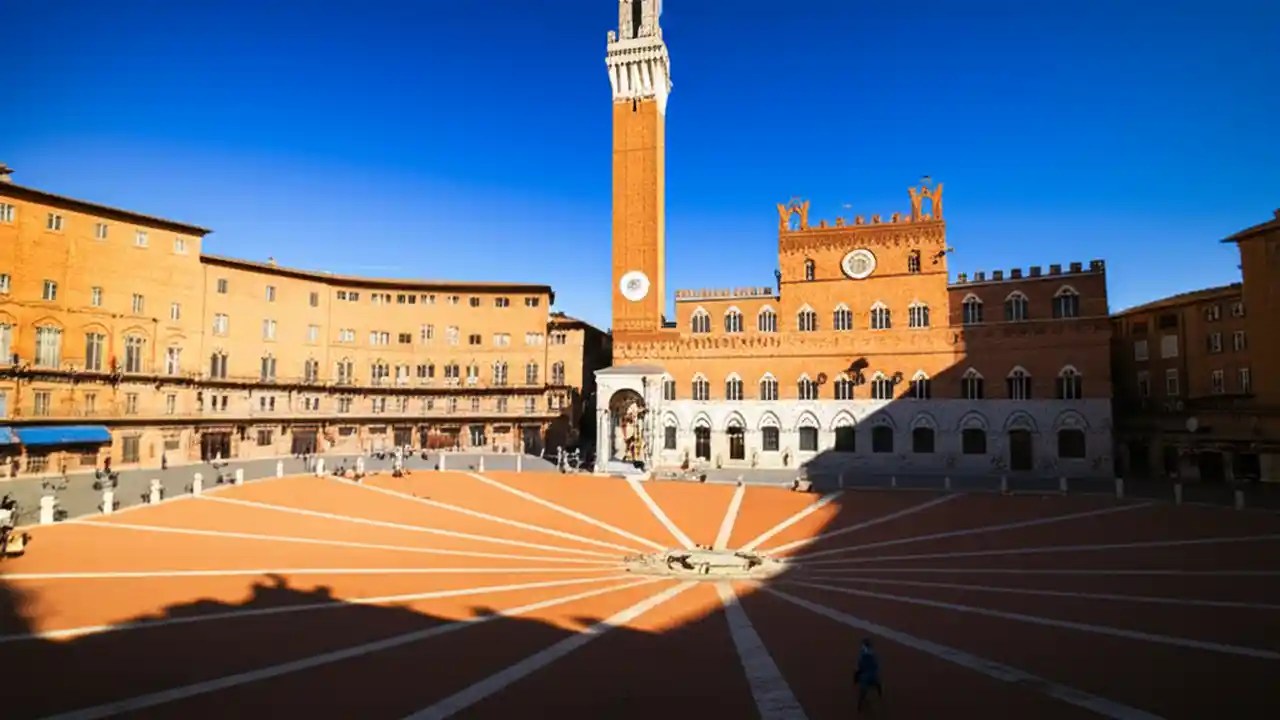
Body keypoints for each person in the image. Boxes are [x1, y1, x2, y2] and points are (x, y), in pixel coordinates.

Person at [854, 637, 883, 713]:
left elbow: (859, 665)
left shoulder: (863, 653)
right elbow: (876, 665)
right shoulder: (872, 653)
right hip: (872, 674)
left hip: (865, 675)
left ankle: (859, 705)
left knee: (863, 691)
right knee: (877, 684)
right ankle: (880, 694)